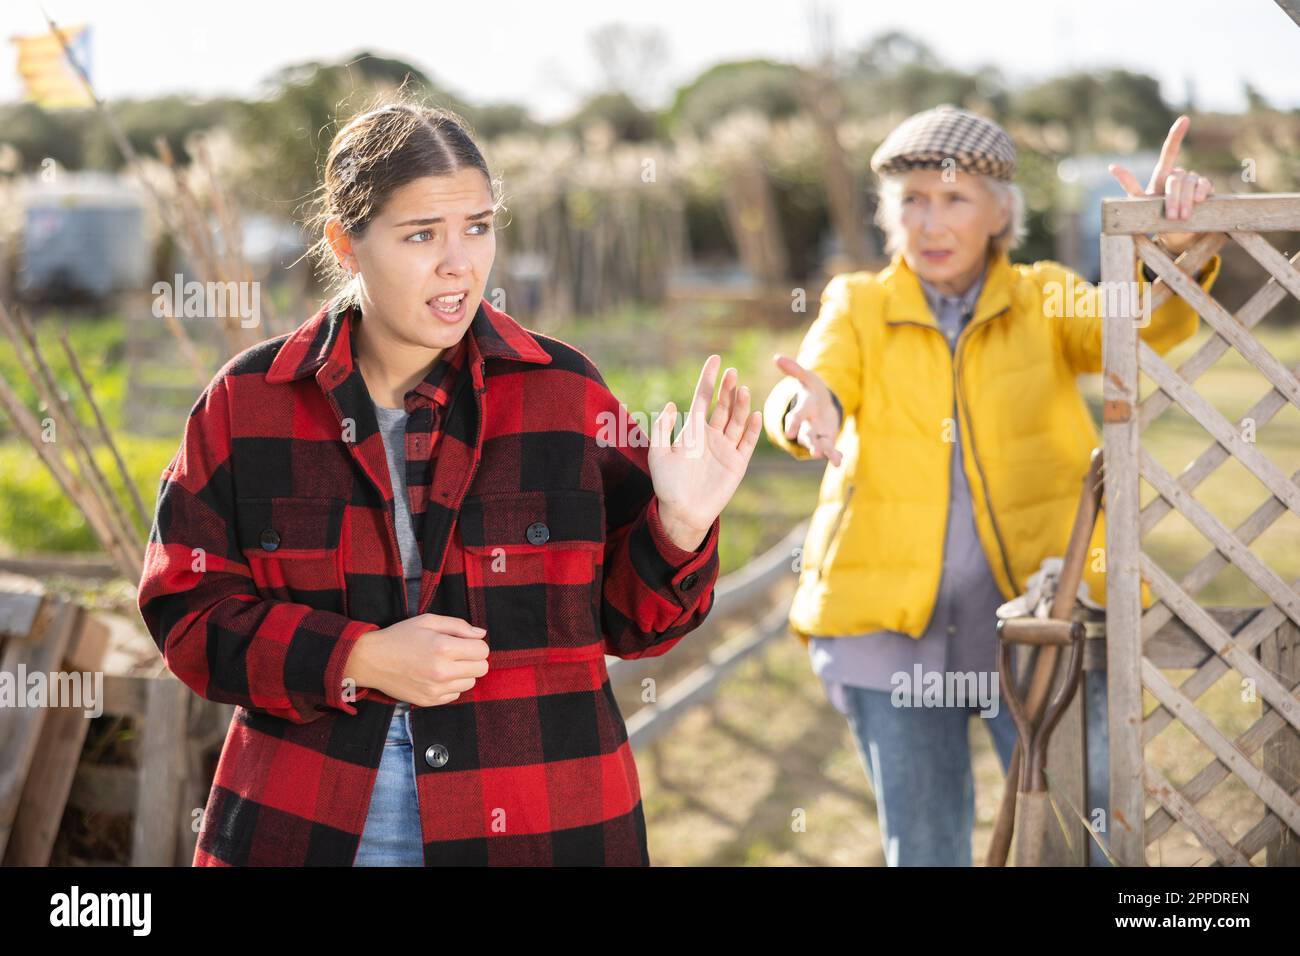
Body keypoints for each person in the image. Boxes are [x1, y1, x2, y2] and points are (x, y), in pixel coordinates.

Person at [137, 96, 763, 866]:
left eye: (478, 226)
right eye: (421, 235)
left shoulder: (565, 394)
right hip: (306, 830)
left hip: (543, 828)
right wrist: (357, 657)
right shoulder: (248, 403)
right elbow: (187, 615)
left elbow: (639, 626)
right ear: (347, 244)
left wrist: (682, 527)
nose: (459, 262)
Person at [763, 105, 1221, 866]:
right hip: (890, 637)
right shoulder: (860, 304)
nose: (931, 221)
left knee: (1080, 841)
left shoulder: (1044, 297)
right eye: (911, 199)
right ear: (889, 215)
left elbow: (1147, 324)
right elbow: (819, 379)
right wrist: (801, 410)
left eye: (954, 198)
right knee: (928, 850)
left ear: (1001, 211)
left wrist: (1168, 250)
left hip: (1041, 627)